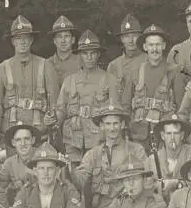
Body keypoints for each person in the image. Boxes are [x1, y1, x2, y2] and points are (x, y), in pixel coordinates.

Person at [72, 105, 148, 208]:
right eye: (107, 124)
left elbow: (148, 180)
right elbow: (80, 181)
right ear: (101, 126)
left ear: (123, 125)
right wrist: (69, 168)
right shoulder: (92, 154)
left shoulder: (136, 150)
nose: (112, 128)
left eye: (115, 123)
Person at [56, 30, 118, 165]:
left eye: (93, 53)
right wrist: (53, 121)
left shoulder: (109, 79)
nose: (89, 57)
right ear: (79, 55)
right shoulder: (69, 80)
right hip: (73, 139)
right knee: (73, 177)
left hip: (98, 139)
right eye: (85, 53)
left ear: (98, 54)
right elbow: (60, 111)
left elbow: (115, 114)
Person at [120, 24, 186, 147]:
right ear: (145, 47)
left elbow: (181, 107)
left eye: (157, 45)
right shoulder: (135, 72)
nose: (154, 49)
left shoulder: (174, 72)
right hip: (138, 135)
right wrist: (126, 131)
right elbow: (125, 106)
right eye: (151, 45)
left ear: (164, 46)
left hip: (164, 135)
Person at [0, 15, 60, 138]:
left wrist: (52, 125)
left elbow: (55, 103)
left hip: (40, 132)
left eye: (26, 38)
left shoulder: (46, 66)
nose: (22, 42)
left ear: (31, 40)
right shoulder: (2, 68)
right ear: (13, 41)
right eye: (18, 38)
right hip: (10, 133)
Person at [145, 113, 191, 200]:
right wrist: (158, 187)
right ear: (163, 136)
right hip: (161, 206)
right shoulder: (151, 160)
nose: (172, 138)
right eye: (169, 133)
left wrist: (177, 184)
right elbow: (146, 189)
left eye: (176, 133)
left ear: (182, 136)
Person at [0, 122, 41, 203]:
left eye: (26, 139)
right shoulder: (9, 163)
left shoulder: (42, 159)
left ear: (33, 140)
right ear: (13, 143)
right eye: (18, 140)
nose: (23, 144)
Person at [107, 14, 146, 100]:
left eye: (134, 36)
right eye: (127, 36)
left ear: (140, 37)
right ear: (122, 39)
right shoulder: (113, 66)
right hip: (120, 110)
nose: (131, 40)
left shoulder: (148, 60)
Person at [46, 15, 82, 87]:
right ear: (54, 41)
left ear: (73, 40)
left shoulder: (82, 62)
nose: (63, 40)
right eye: (59, 36)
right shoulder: (46, 64)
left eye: (66, 36)